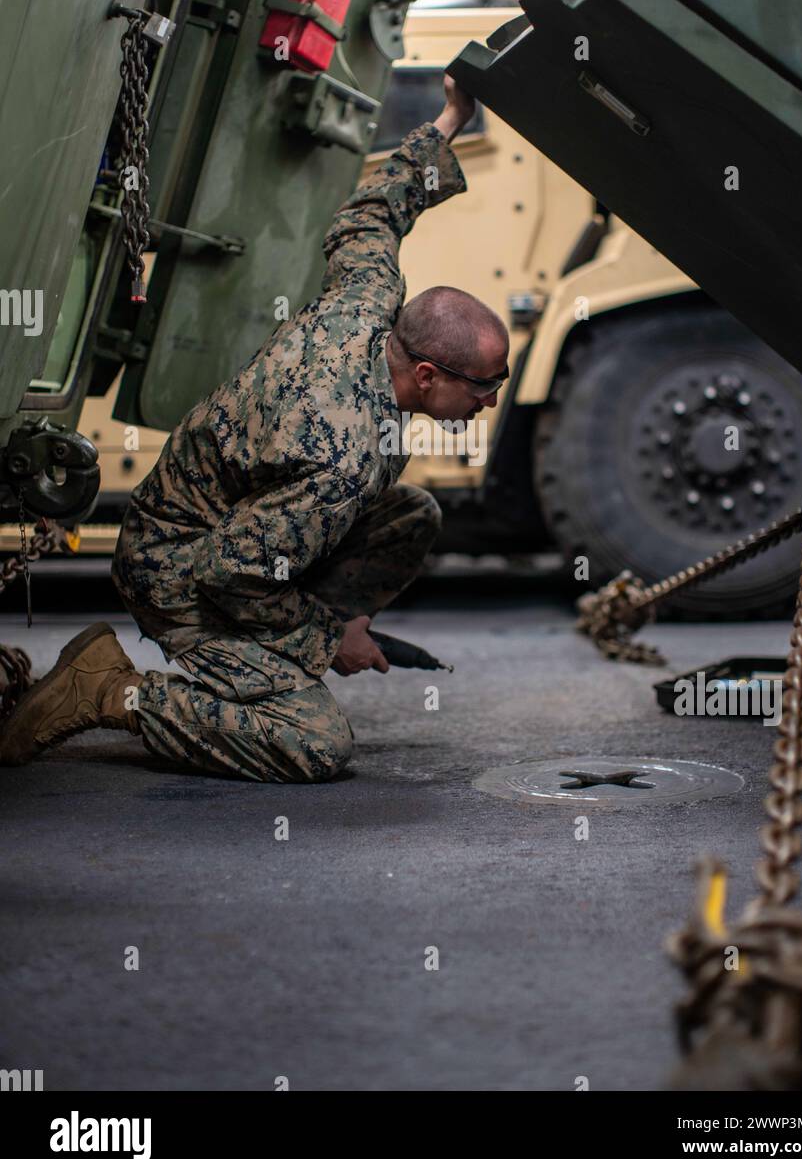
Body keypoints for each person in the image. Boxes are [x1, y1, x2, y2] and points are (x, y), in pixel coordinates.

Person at [1, 78, 510, 783]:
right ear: (425, 375)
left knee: (411, 516)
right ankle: (108, 689)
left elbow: (371, 213)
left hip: (235, 530)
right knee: (313, 744)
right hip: (179, 571)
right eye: (485, 385)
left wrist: (452, 115)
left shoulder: (366, 302)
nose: (490, 401)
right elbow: (229, 574)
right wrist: (329, 638)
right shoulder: (339, 459)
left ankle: (266, 662)